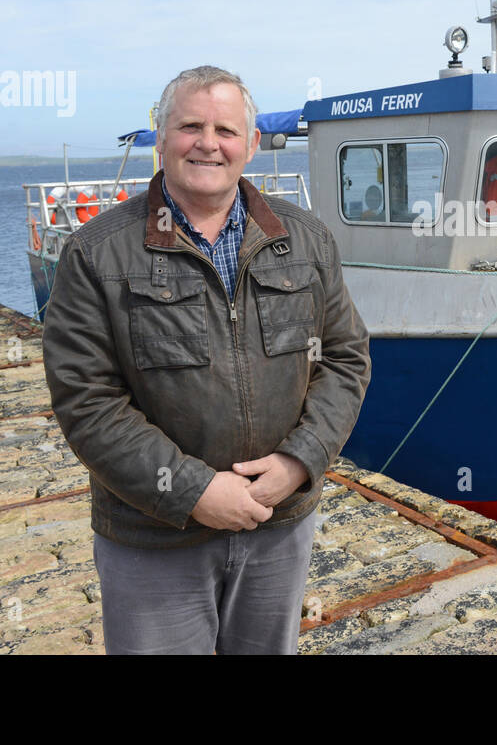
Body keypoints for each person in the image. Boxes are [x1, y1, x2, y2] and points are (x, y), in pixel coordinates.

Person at [41, 64, 371, 654]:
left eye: (225, 129)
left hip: (279, 525)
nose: (208, 143)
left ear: (250, 144)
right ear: (162, 138)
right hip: (155, 536)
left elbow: (344, 359)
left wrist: (299, 462)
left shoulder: (307, 240)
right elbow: (87, 401)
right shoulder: (96, 253)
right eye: (190, 125)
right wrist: (195, 492)